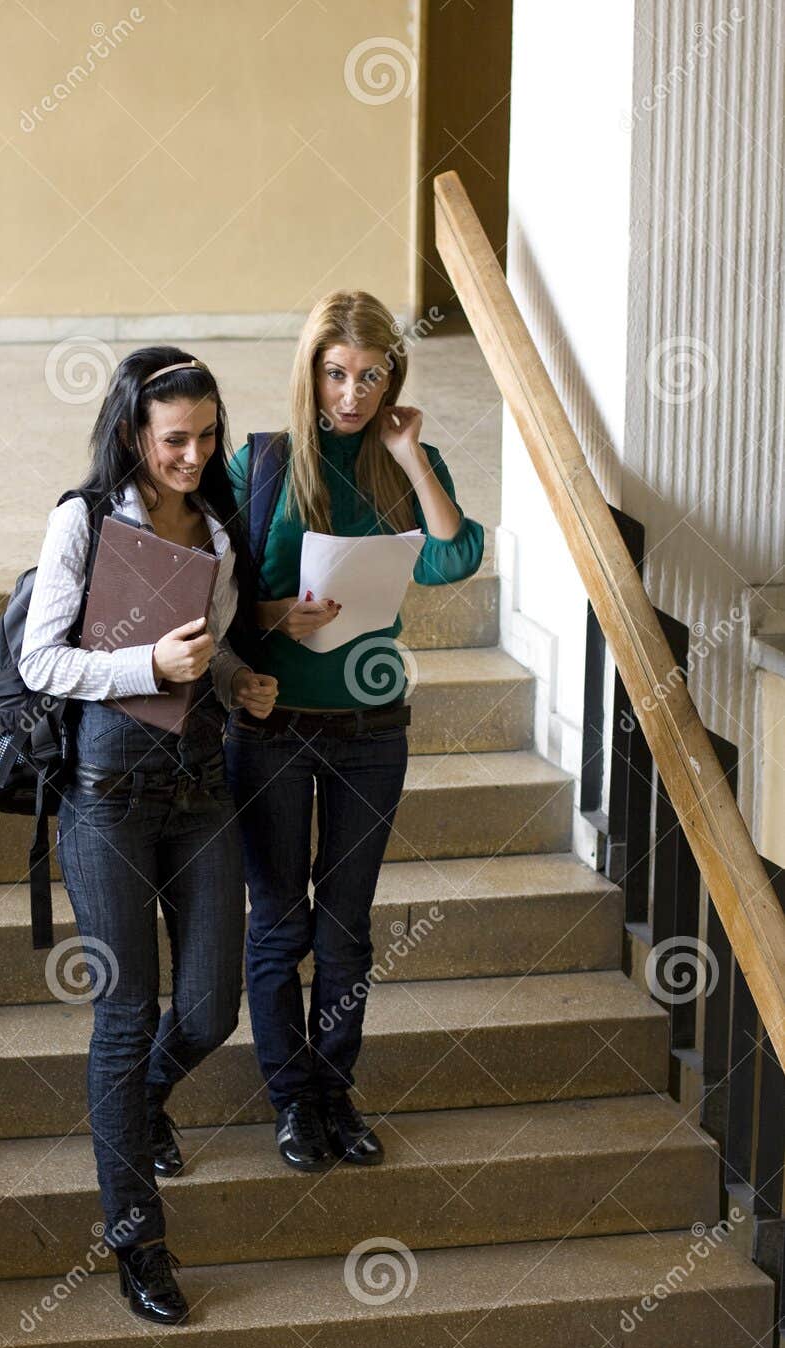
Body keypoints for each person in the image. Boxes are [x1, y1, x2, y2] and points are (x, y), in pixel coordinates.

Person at [18, 347, 276, 1325]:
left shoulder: (214, 523)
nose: (195, 455)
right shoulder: (83, 520)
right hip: (105, 795)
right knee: (125, 1019)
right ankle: (138, 1238)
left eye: (208, 437)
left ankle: (143, 1102)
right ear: (134, 433)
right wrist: (142, 664)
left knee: (210, 1006)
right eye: (176, 439)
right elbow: (44, 660)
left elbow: (197, 654)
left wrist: (231, 677)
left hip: (199, 782)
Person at [225, 289, 485, 1174]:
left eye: (370, 376)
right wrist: (275, 616)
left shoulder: (403, 456)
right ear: (311, 372)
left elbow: (454, 557)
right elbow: (215, 603)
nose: (352, 394)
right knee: (280, 927)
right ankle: (291, 1103)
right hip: (272, 729)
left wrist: (410, 458)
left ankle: (335, 1093)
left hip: (371, 731)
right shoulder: (260, 464)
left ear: (391, 376)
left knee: (346, 928)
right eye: (336, 374)